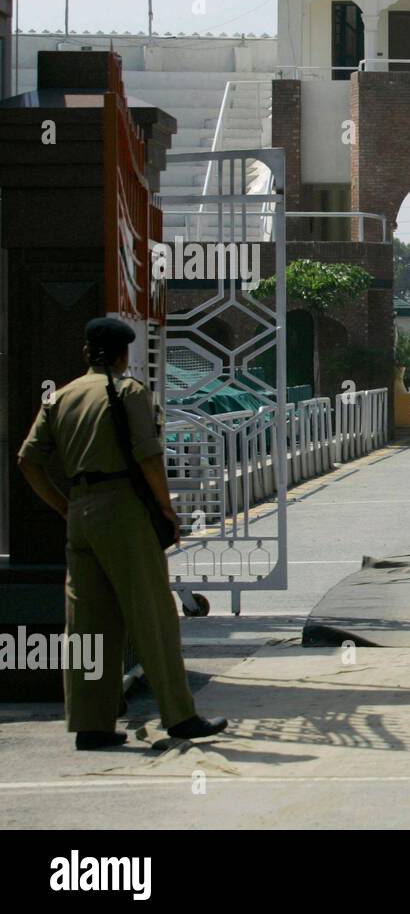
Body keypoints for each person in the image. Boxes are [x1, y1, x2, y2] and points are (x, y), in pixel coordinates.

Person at [17, 318, 228, 750]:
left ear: (85, 353)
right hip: (122, 510)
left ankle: (91, 724)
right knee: (152, 614)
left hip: (80, 513)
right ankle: (180, 716)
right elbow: (149, 458)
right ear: (122, 356)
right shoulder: (128, 392)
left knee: (87, 623)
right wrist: (167, 510)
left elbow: (28, 462)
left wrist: (63, 504)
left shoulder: (60, 396)